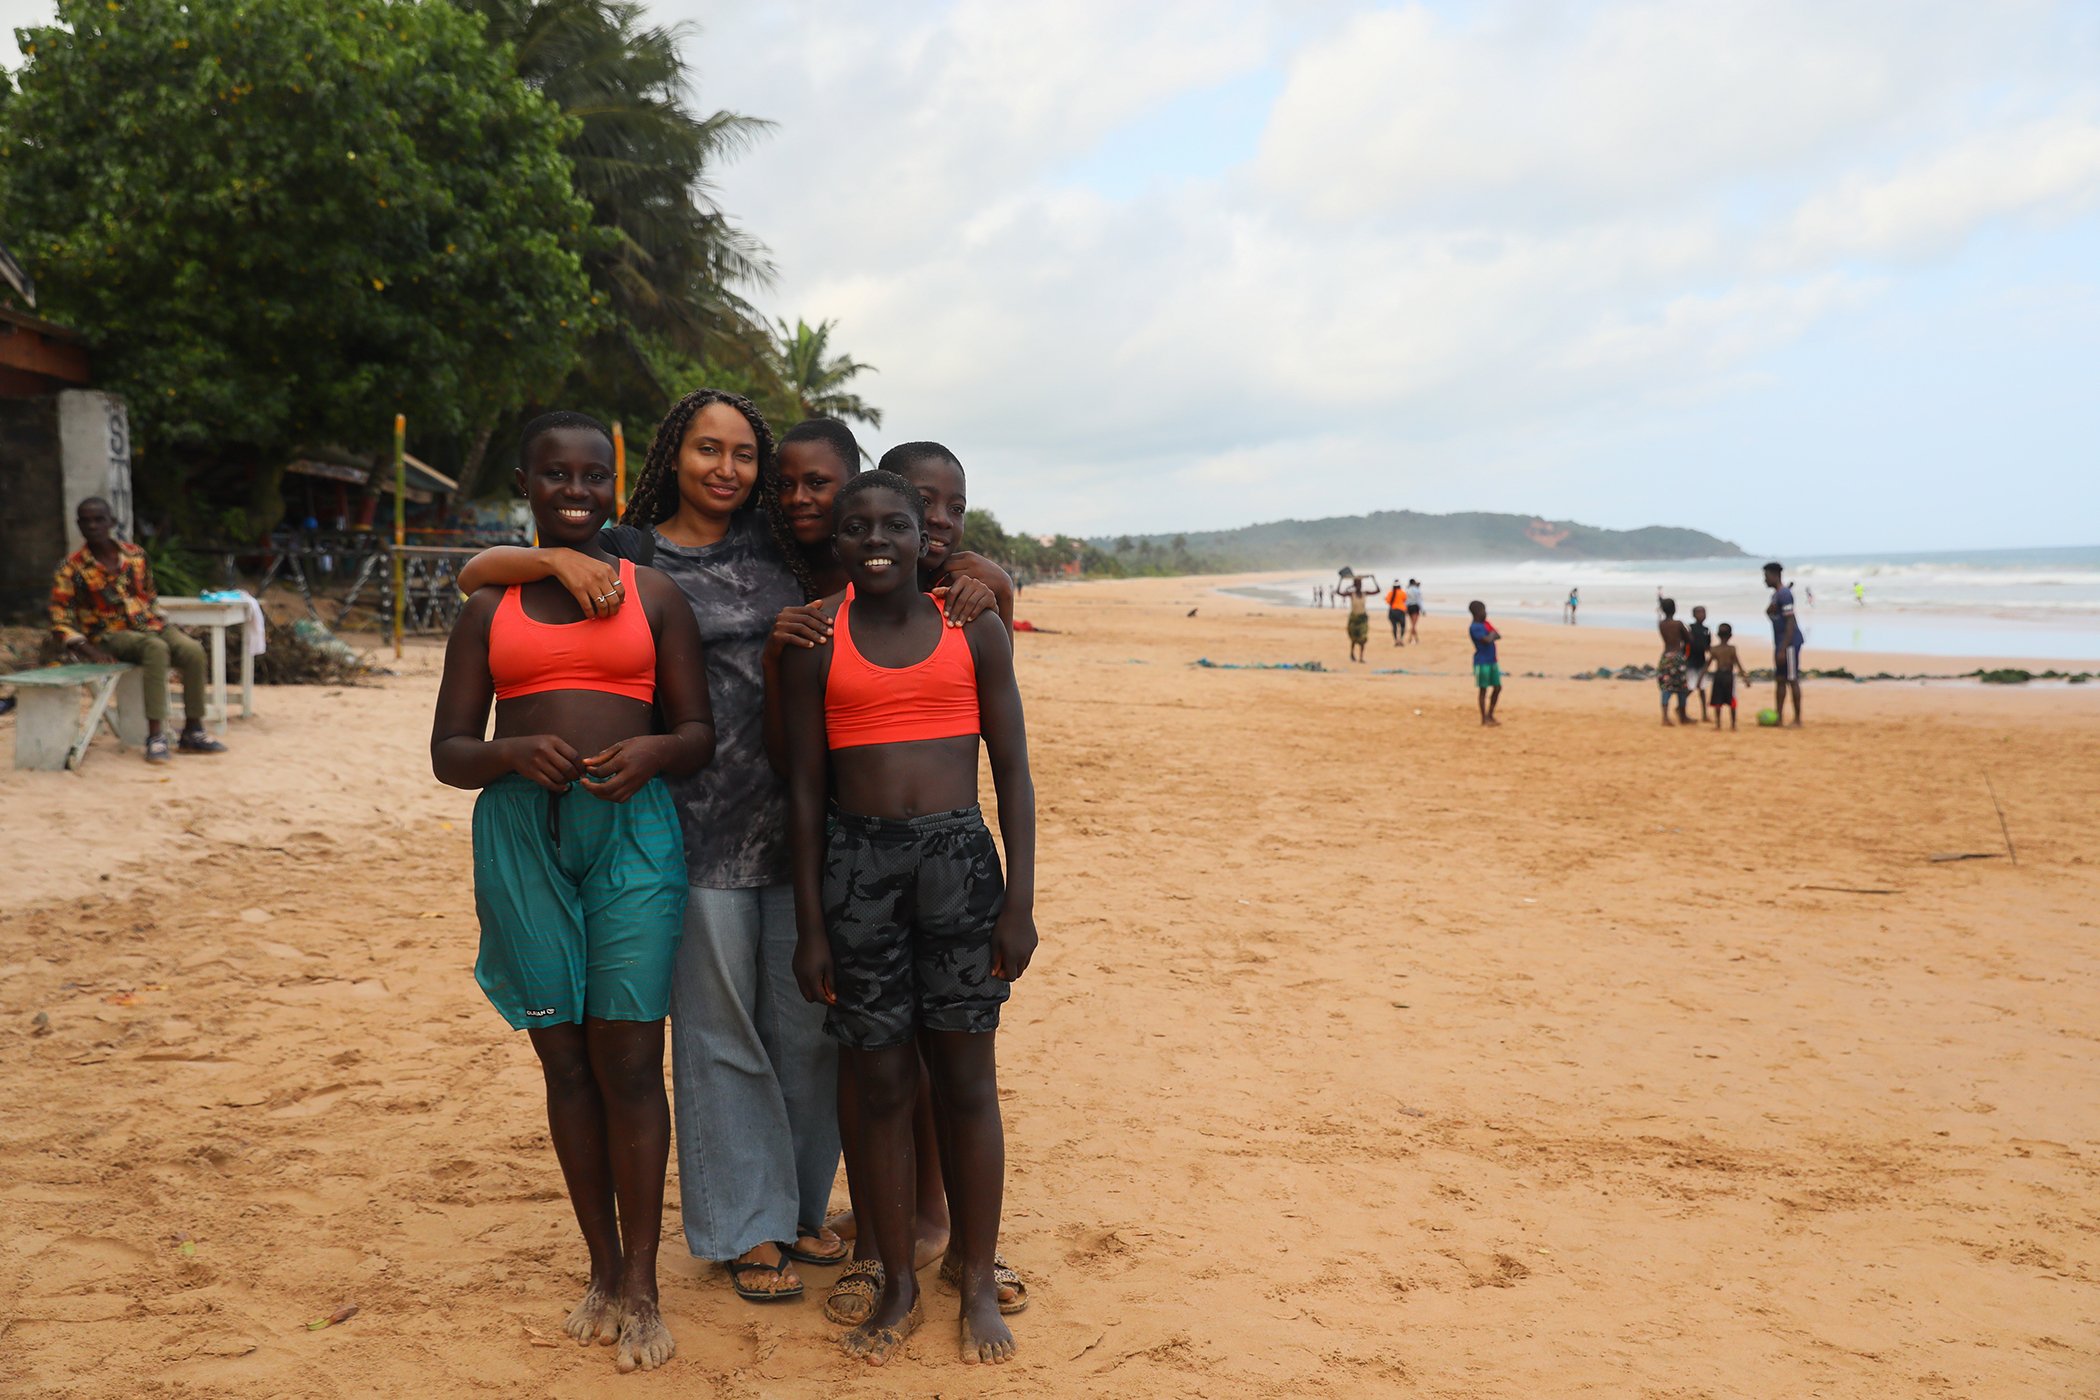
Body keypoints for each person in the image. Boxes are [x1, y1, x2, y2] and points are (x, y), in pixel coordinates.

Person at [458, 389, 845, 1306]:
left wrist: (989, 570)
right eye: (707, 449)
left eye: (744, 454)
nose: (727, 469)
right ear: (672, 456)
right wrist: (551, 550)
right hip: (684, 819)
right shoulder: (633, 552)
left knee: (808, 1030)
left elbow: (905, 549)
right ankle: (747, 1228)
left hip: (797, 819)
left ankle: (797, 1206)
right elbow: (482, 572)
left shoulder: (789, 547)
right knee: (717, 1037)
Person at [430, 412, 715, 1374]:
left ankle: (642, 1282)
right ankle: (600, 1268)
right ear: (528, 483)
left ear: (616, 483)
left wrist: (653, 751)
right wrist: (509, 752)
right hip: (521, 837)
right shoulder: (489, 610)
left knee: (630, 1058)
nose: (578, 491)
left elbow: (698, 734)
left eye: (595, 476)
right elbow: (449, 753)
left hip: (633, 830)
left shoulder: (656, 596)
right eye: (558, 475)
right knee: (565, 1062)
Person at [780, 471, 1038, 1366]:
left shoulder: (974, 630)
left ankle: (973, 1279)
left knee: (966, 1082)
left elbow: (1012, 774)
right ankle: (894, 1280)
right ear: (838, 541)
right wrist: (812, 925)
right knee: (880, 1081)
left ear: (923, 531)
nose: (879, 539)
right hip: (858, 871)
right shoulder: (818, 640)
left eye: (897, 523)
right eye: (859, 527)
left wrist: (1020, 904)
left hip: (959, 868)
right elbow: (806, 795)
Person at [47, 497, 226, 762]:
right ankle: (155, 736)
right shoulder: (71, 568)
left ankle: (193, 731)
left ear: (111, 522)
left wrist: (159, 620)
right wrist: (86, 648)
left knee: (192, 650)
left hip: (149, 625)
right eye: (86, 520)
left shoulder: (136, 556)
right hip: (109, 635)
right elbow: (59, 615)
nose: (93, 525)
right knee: (154, 649)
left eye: (99, 519)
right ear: (79, 525)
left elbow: (149, 594)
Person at [1765, 561, 1803, 726]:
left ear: (1774, 576)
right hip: (1780, 642)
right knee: (1780, 679)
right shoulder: (1776, 595)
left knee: (1792, 679)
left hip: (1789, 643)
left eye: (1766, 576)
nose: (1764, 580)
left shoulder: (1785, 594)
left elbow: (1790, 623)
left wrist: (1783, 647)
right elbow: (1776, 617)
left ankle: (1797, 719)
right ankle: (1779, 717)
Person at [1705, 623, 1750, 730]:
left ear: (1717, 635)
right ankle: (1733, 725)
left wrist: (1700, 679)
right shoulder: (1732, 649)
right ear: (1730, 635)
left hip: (1719, 675)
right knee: (1732, 701)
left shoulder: (1715, 649)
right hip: (1729, 676)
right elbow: (1738, 664)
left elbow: (1707, 664)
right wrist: (1745, 678)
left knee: (1717, 701)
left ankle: (1718, 724)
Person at [1656, 597, 1691, 726]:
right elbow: (1688, 639)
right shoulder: (1678, 624)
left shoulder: (1661, 624)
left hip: (1665, 656)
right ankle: (1683, 716)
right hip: (1677, 657)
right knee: (1681, 687)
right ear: (1675, 608)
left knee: (1666, 687)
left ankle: (1665, 717)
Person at [1468, 601, 1502, 726]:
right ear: (1477, 613)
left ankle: (1490, 714)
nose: (1485, 613)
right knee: (1483, 690)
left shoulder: (1485, 624)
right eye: (1483, 610)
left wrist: (1492, 635)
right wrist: (1492, 634)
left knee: (1497, 687)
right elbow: (1486, 639)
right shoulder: (1475, 627)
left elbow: (1497, 635)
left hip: (1492, 660)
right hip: (1482, 662)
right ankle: (1484, 718)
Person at [1685, 605, 1713, 723]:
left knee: (1702, 688)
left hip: (1701, 661)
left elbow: (1707, 647)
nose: (1702, 615)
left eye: (1703, 613)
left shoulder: (1706, 630)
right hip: (1691, 661)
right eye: (1699, 613)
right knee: (1690, 687)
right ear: (1693, 615)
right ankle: (1681, 709)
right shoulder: (1690, 629)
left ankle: (1704, 714)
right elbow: (1686, 645)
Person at [1338, 571, 1372, 662]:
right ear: (1355, 585)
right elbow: (1339, 592)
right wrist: (1341, 580)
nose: (1358, 586)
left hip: (1363, 619)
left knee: (1363, 638)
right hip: (1353, 619)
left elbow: (1378, 591)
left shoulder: (1365, 593)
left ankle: (1361, 657)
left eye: (1360, 584)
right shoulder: (1351, 594)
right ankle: (1352, 653)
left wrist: (1373, 579)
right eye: (1357, 584)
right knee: (1353, 638)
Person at [1384, 579, 1407, 645]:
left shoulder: (1390, 593)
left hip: (1392, 611)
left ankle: (1396, 640)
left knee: (1394, 627)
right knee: (1402, 626)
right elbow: (1405, 600)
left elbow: (1388, 601)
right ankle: (1401, 639)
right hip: (1401, 611)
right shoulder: (1402, 592)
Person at [1405, 578, 1423, 643]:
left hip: (1409, 607)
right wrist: (1422, 609)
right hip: (1415, 607)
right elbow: (1419, 601)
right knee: (1413, 625)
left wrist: (1405, 609)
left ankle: (1415, 639)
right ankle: (1411, 638)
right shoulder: (1417, 590)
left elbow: (1406, 601)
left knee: (1413, 624)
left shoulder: (1407, 590)